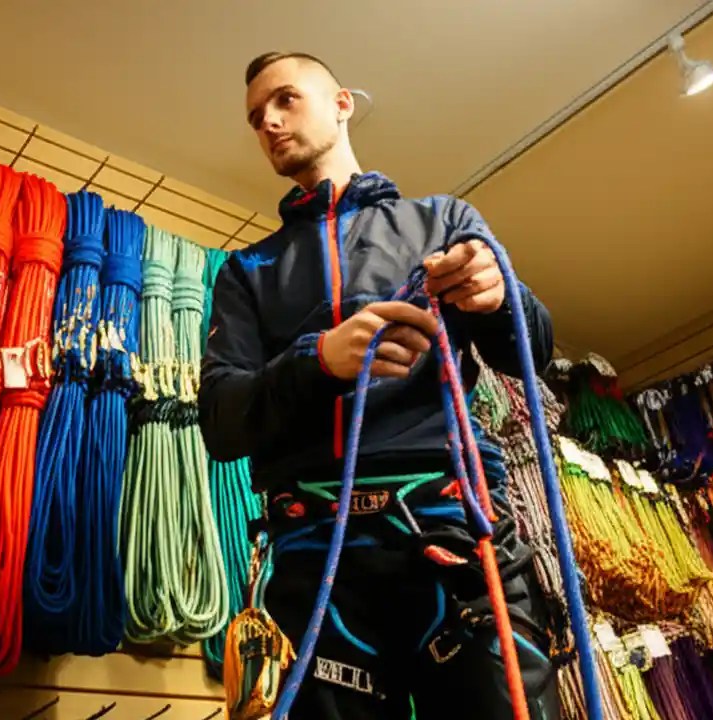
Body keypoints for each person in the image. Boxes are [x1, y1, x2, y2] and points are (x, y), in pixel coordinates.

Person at [200, 51, 559, 720]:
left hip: (456, 536)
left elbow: (532, 354)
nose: (269, 123)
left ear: (342, 103)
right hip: (314, 558)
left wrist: (496, 296)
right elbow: (222, 424)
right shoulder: (247, 271)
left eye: (285, 100)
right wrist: (321, 362)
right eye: (256, 118)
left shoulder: (444, 223)